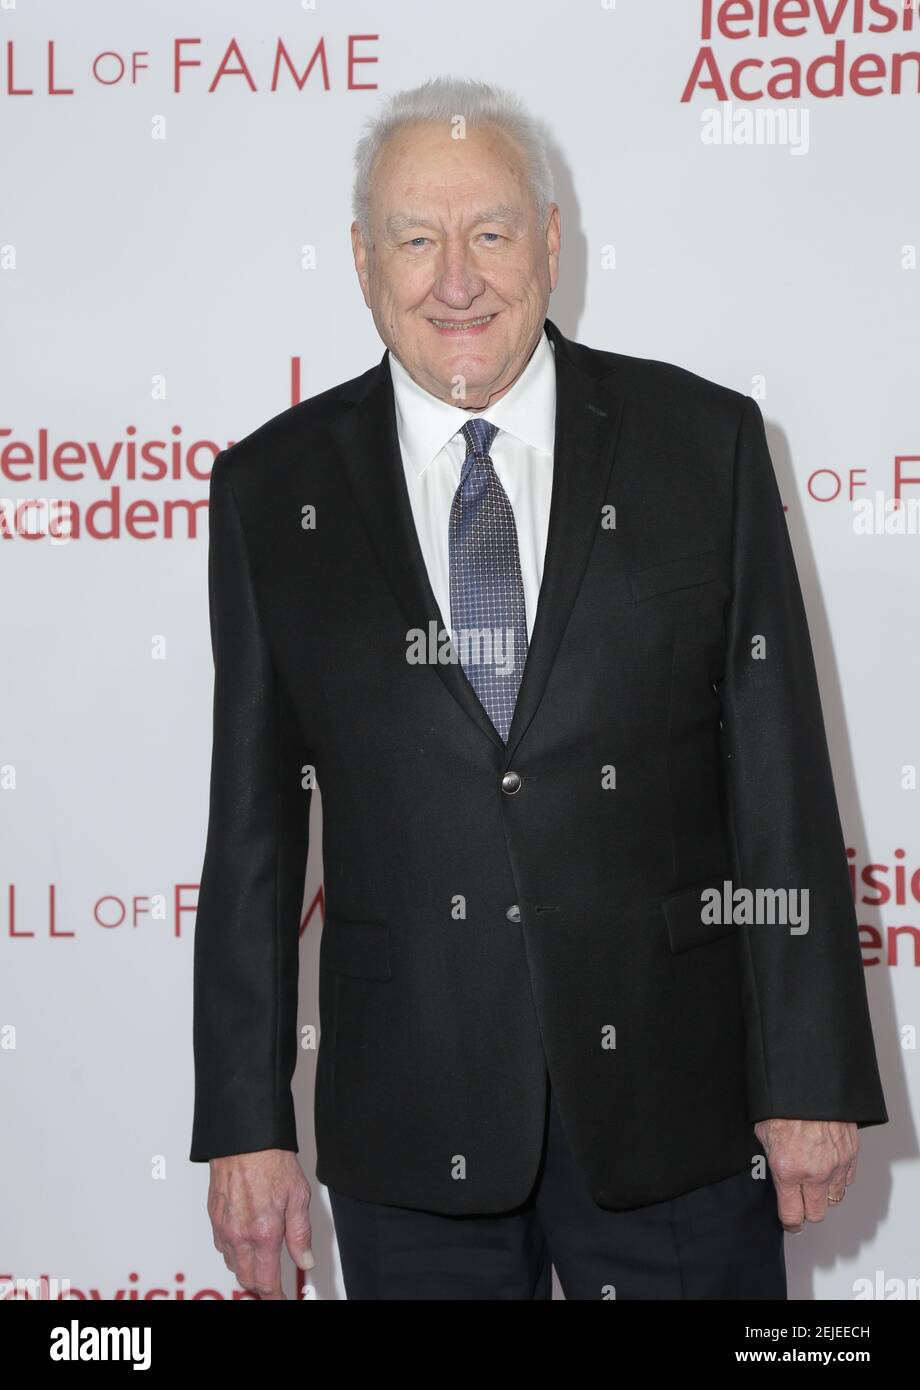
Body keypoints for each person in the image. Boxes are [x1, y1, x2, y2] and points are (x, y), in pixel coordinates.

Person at [189, 77, 887, 1300]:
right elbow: (250, 833)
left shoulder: (701, 446)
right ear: (362, 260)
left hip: (674, 1117)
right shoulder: (269, 494)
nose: (455, 278)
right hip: (409, 1119)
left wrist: (811, 1078)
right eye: (416, 238)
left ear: (551, 244)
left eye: (492, 232)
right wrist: (246, 1123)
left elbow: (776, 778)